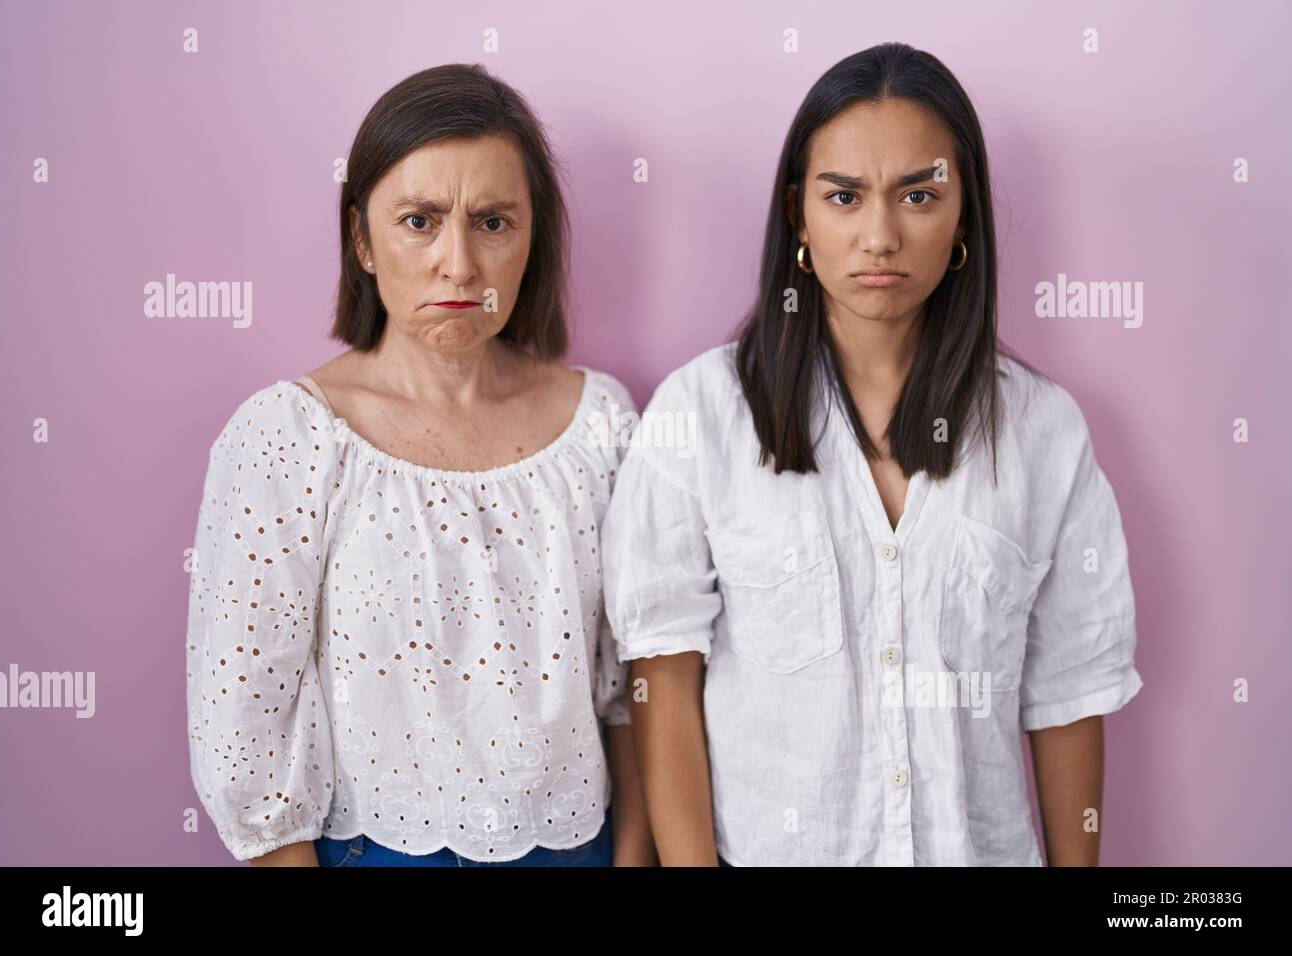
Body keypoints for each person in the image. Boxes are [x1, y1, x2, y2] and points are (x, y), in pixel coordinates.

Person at [602, 42, 1143, 866]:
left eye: (918, 195)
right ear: (799, 217)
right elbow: (663, 681)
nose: (880, 235)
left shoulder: (1043, 431)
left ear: (964, 214)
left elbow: (1069, 691)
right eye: (845, 197)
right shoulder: (702, 416)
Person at [186, 63, 652, 867]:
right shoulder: (290, 440)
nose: (460, 264)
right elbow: (245, 731)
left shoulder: (601, 425)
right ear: (362, 238)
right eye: (419, 220)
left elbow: (633, 693)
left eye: (494, 222)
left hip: (581, 846)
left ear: (532, 236)